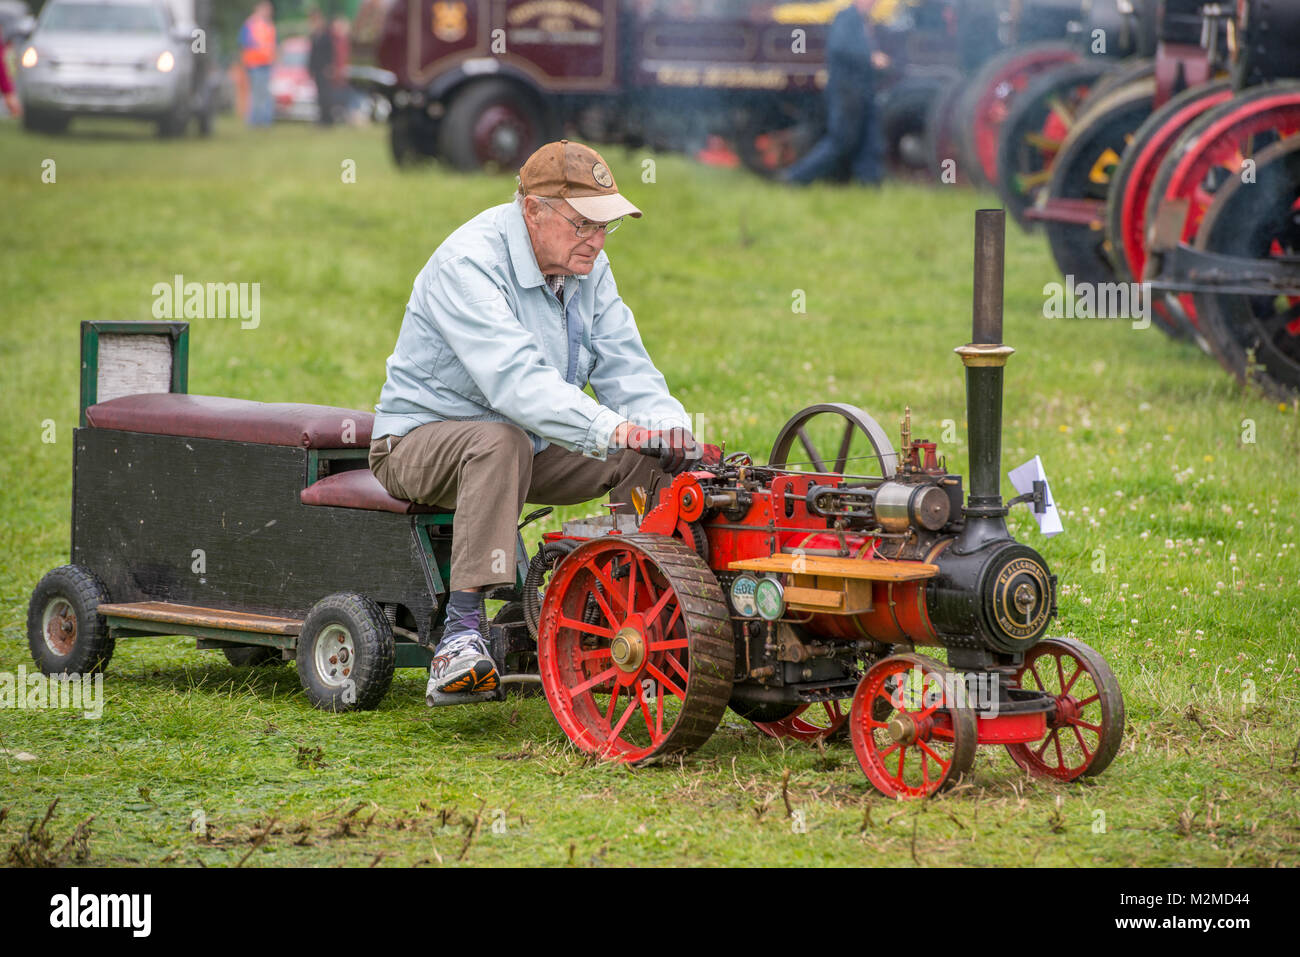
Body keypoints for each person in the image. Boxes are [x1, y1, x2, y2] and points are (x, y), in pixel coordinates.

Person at [369, 140, 720, 706]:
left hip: (529, 442)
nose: (598, 241)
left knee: (649, 454)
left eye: (606, 226)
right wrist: (615, 429)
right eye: (584, 224)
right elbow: (516, 384)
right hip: (416, 442)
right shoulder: (470, 263)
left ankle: (630, 613)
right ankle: (460, 637)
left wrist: (670, 431)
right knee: (499, 439)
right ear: (532, 210)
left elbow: (626, 365)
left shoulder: (588, 266)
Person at [784, 0, 890, 186]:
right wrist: (870, 57)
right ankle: (796, 176)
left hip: (862, 89)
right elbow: (839, 46)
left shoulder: (862, 21)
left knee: (868, 138)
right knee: (841, 141)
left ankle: (869, 183)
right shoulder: (846, 18)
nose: (874, 3)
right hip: (846, 90)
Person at [239, 1, 276, 127]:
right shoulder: (251, 24)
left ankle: (263, 120)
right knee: (257, 93)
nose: (269, 11)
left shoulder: (269, 25)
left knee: (264, 92)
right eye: (266, 9)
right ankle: (256, 120)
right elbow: (244, 41)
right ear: (259, 9)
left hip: (266, 63)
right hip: (255, 63)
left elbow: (272, 45)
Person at [306, 8, 334, 125]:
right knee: (319, 95)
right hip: (317, 69)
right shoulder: (314, 36)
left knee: (325, 95)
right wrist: (310, 68)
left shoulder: (326, 36)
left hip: (324, 69)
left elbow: (330, 53)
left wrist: (329, 66)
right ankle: (321, 118)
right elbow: (312, 54)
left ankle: (327, 119)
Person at [0, 27, 20, 118]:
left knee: (8, 92)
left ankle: (16, 113)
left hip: (4, 67)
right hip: (5, 66)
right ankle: (16, 112)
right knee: (8, 92)